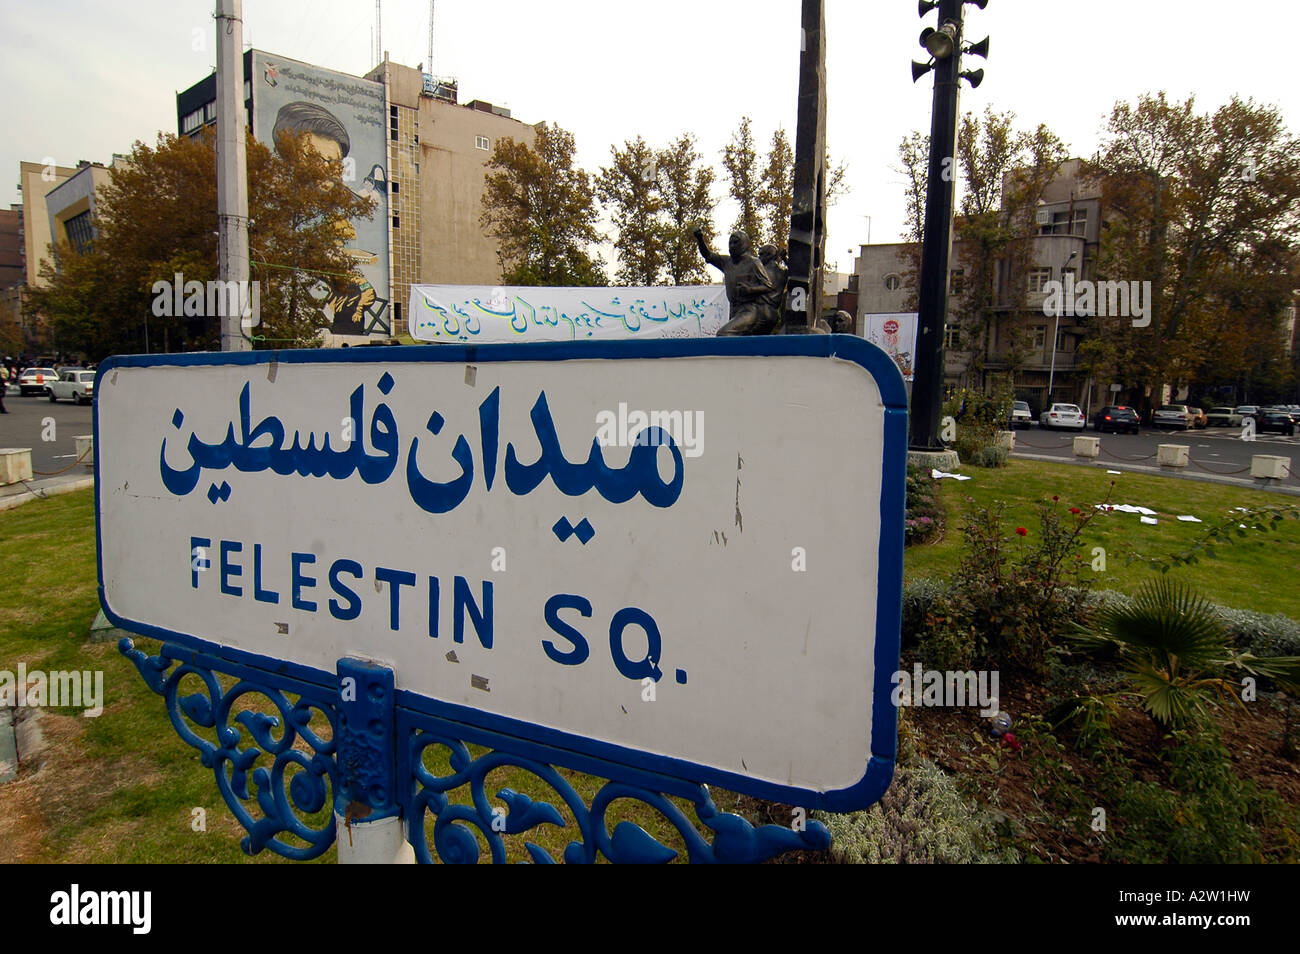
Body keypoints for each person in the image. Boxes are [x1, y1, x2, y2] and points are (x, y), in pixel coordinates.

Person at [694, 228, 778, 336]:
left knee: (724, 334)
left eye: (736, 242)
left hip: (749, 309)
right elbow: (708, 255)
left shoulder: (753, 262)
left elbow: (768, 286)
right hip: (734, 309)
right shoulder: (726, 262)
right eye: (730, 243)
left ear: (744, 244)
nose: (732, 246)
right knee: (738, 339)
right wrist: (700, 239)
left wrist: (750, 290)